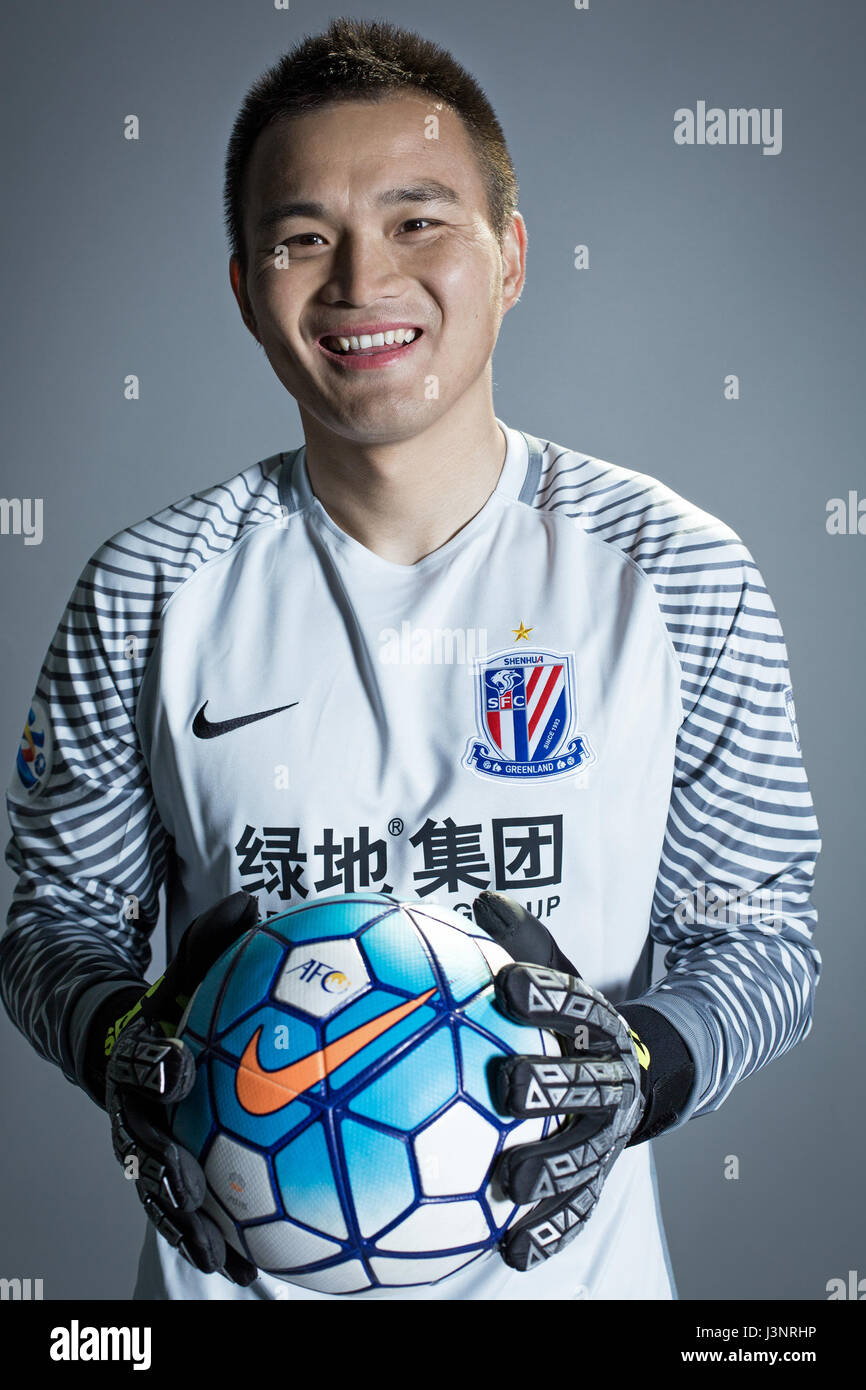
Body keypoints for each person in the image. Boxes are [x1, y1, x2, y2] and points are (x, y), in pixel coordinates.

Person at [1, 17, 820, 1302]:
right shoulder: (146, 587)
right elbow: (53, 924)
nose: (359, 282)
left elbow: (762, 935)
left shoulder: (676, 571)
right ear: (244, 288)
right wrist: (120, 1043)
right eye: (302, 237)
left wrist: (643, 1064)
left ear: (509, 259)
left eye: (418, 221)